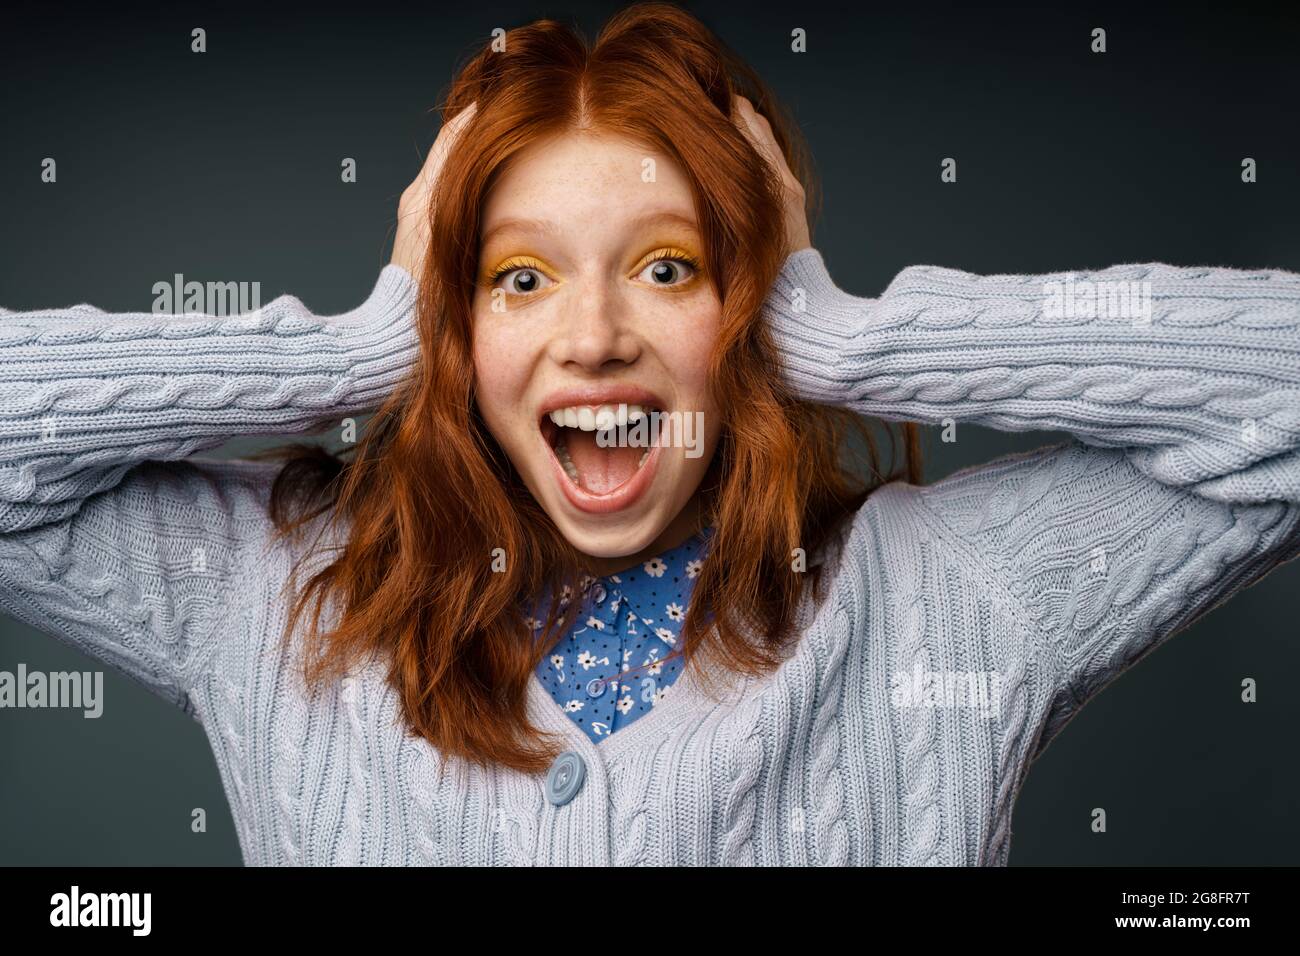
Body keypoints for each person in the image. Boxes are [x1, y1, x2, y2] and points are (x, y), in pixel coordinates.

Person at [2, 3, 1297, 866]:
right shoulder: (272, 589)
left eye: (669, 268)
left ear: (747, 304)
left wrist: (842, 335)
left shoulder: (948, 595)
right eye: (521, 278)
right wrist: (355, 350)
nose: (596, 333)